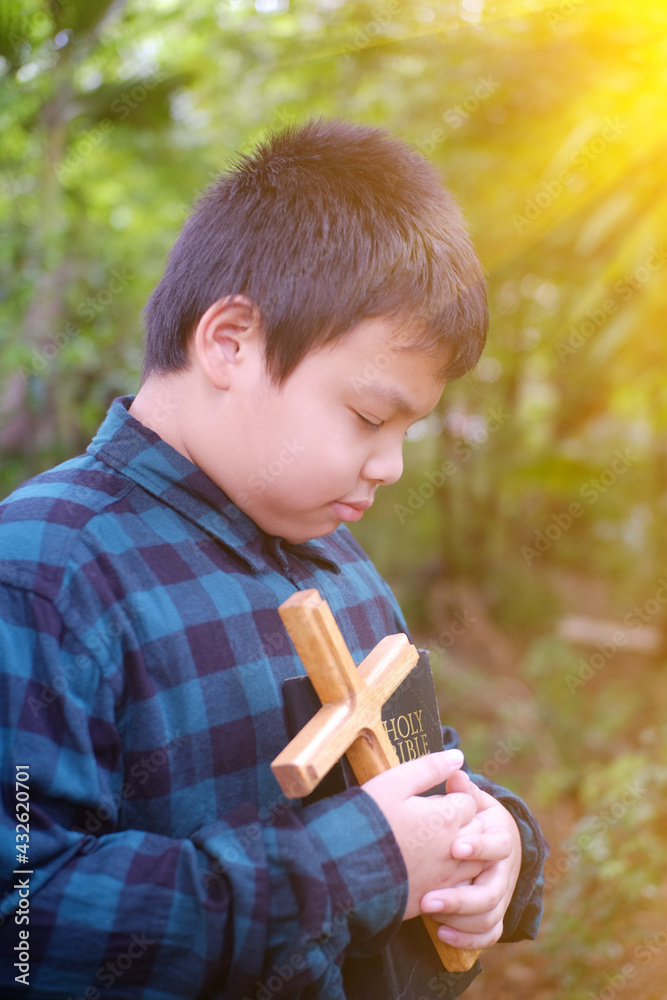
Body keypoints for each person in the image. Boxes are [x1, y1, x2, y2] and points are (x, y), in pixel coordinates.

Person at [0, 118, 547, 1000]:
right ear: (231, 342)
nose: (391, 464)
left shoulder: (342, 567)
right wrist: (349, 869)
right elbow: (24, 928)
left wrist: (495, 846)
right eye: (371, 418)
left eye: (412, 429)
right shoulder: (45, 573)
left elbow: (418, 774)